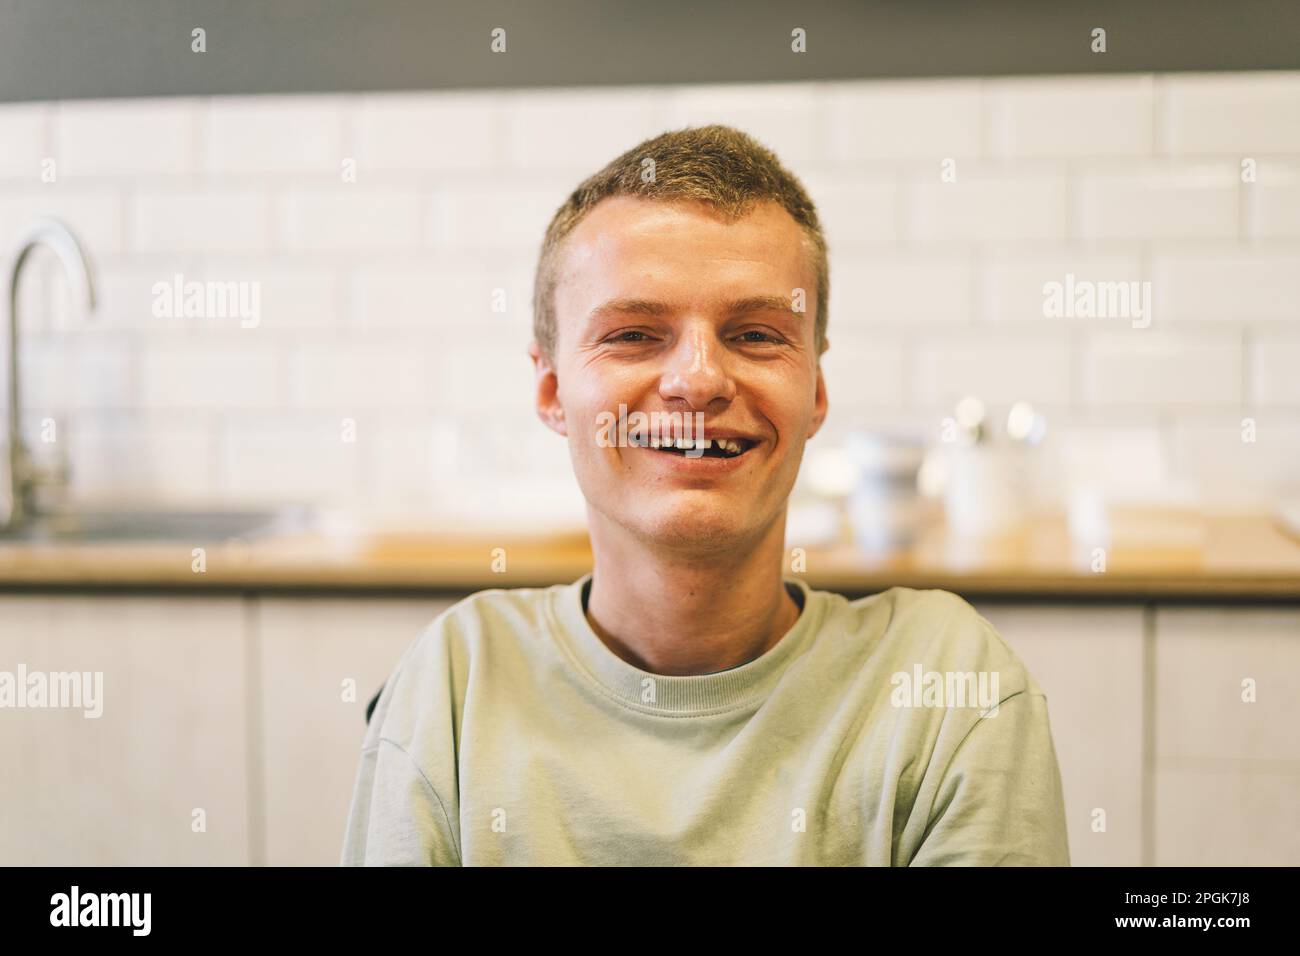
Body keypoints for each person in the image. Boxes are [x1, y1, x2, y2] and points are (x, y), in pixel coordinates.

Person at [341, 124, 1070, 866]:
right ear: (553, 389)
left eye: (755, 334)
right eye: (632, 335)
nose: (699, 379)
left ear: (814, 391)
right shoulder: (457, 687)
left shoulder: (943, 688)